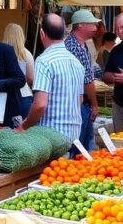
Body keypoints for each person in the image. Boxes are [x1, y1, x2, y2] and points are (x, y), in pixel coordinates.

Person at [21, 14, 84, 144]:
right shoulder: (76, 62)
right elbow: (80, 99)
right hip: (74, 134)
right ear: (63, 34)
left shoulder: (44, 61)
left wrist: (25, 126)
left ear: (42, 34)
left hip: (50, 136)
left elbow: (40, 105)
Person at [64, 9, 101, 152]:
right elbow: (87, 81)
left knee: (83, 145)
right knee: (80, 147)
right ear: (80, 25)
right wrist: (95, 105)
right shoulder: (75, 48)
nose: (95, 28)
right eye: (92, 24)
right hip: (78, 103)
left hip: (78, 102)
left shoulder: (82, 44)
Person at [2, 23, 35, 118]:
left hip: (4, 98)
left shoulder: (0, 52)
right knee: (23, 131)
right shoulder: (27, 54)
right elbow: (31, 78)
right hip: (24, 96)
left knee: (4, 131)